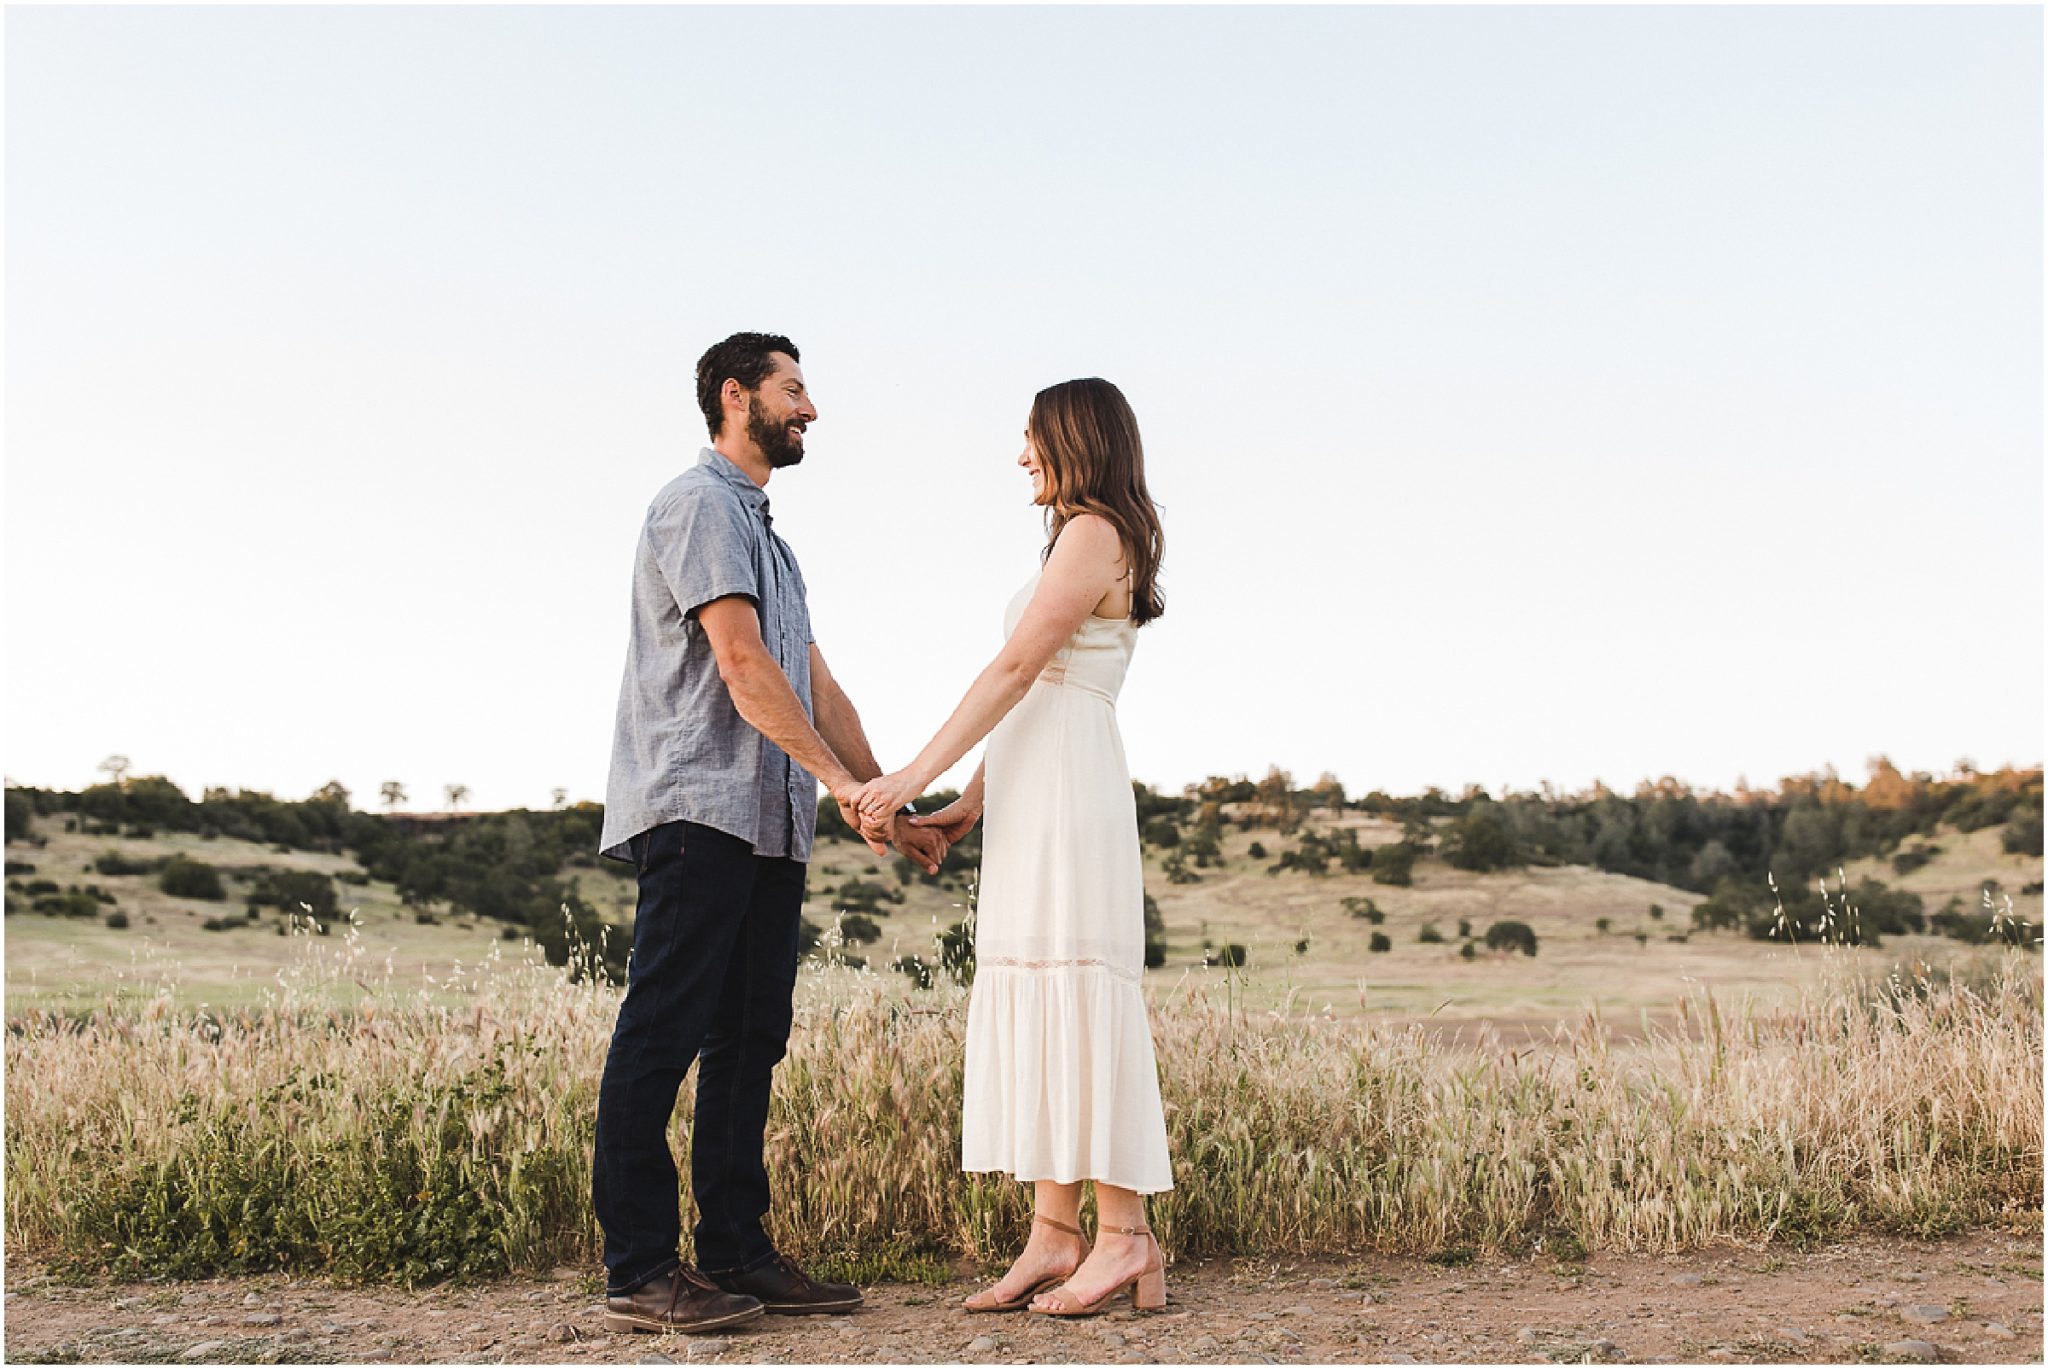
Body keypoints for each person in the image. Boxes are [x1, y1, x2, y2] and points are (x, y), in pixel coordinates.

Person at [594, 331, 951, 1335]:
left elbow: (814, 682)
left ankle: (736, 1253)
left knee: (748, 1039)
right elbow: (744, 666)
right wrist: (842, 785)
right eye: (794, 388)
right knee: (661, 1033)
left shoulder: (772, 542)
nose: (810, 407)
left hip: (768, 824)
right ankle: (638, 1269)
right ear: (734, 394)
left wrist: (891, 800)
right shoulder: (696, 503)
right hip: (698, 807)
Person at [849, 377, 1173, 1319]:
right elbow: (1029, 695)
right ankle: (1054, 1233)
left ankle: (1124, 1237)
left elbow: (1018, 669)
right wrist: (965, 803)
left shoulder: (1095, 530)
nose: (1019, 455)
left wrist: (908, 775)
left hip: (1073, 789)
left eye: (1031, 438)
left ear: (1072, 439)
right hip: (1038, 785)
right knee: (1035, 983)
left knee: (1074, 985)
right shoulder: (1080, 535)